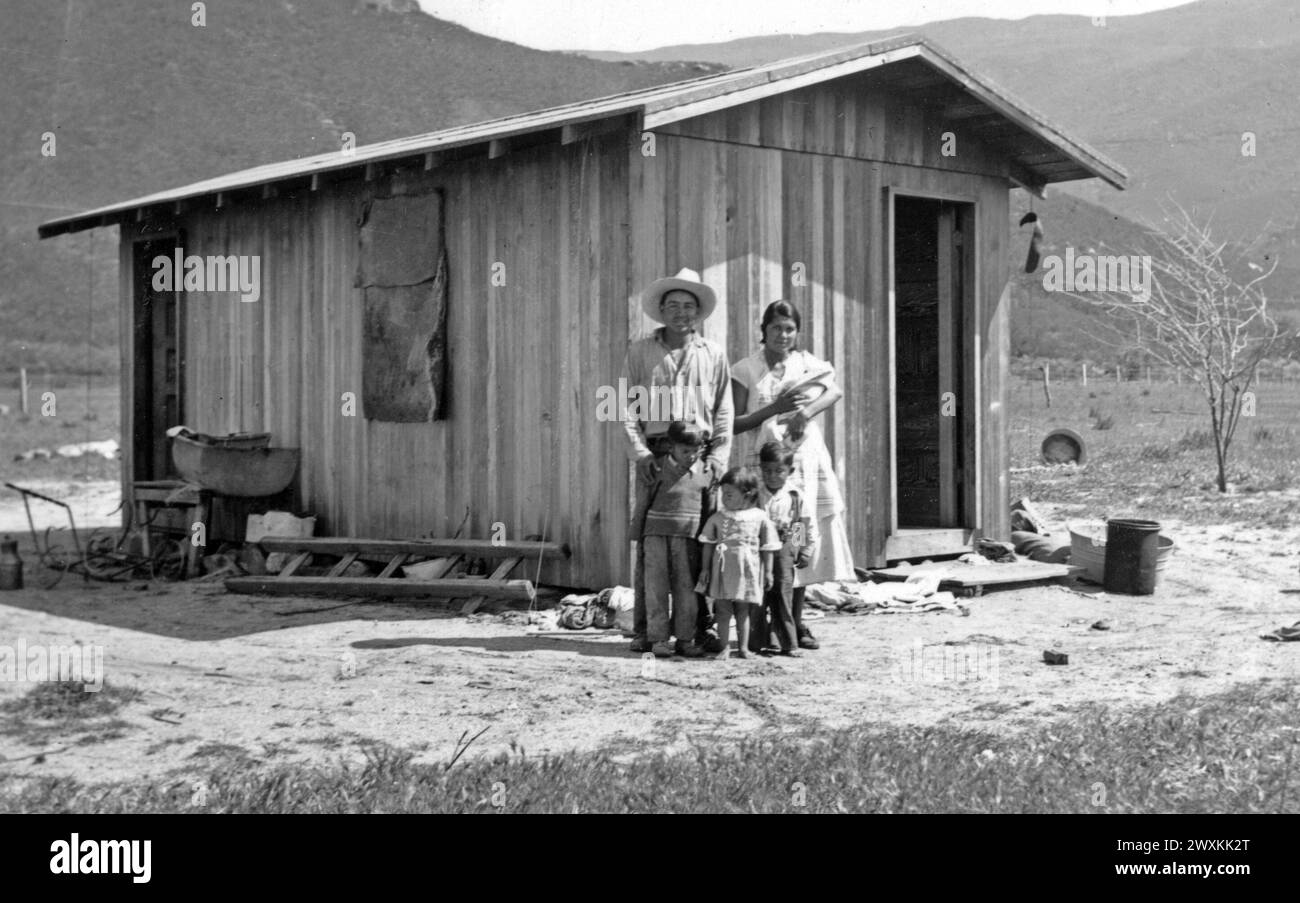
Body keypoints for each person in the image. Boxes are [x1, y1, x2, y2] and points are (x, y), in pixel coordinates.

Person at [731, 299, 856, 650]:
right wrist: (774, 409)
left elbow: (835, 390)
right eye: (775, 328)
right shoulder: (746, 369)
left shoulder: (807, 364)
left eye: (789, 328)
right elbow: (735, 422)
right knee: (763, 538)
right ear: (763, 331)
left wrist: (806, 413)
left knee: (797, 536)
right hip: (763, 463)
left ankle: (795, 623)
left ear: (797, 332)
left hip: (802, 461)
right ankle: (762, 626)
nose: (782, 335)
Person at [622, 268, 733, 654]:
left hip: (699, 458)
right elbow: (627, 409)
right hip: (656, 457)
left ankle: (697, 629)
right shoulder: (640, 352)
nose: (681, 313)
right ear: (662, 310)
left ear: (698, 312)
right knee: (651, 547)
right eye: (673, 306)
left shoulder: (713, 354)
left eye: (689, 307)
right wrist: (639, 453)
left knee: (700, 544)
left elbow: (723, 410)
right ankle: (646, 630)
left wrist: (718, 456)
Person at [633, 421, 711, 658]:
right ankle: (657, 638)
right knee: (655, 588)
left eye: (695, 451)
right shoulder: (656, 469)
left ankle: (685, 639)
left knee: (686, 590)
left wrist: (706, 539)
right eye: (684, 451)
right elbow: (643, 502)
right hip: (655, 535)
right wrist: (638, 534)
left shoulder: (704, 475)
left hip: (688, 538)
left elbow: (708, 508)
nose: (690, 456)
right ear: (671, 447)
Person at [696, 468, 781, 660]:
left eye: (729, 494)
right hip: (723, 571)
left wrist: (768, 572)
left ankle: (743, 649)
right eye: (723, 494)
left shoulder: (759, 517)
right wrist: (705, 568)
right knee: (724, 611)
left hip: (747, 572)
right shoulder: (718, 517)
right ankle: (724, 647)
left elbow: (768, 547)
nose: (724, 498)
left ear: (747, 494)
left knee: (743, 611)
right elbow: (708, 545)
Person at [752, 441, 820, 657]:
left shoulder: (794, 496)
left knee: (782, 595)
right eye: (767, 470)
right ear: (760, 468)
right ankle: (759, 642)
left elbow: (801, 524)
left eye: (778, 471)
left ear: (789, 471)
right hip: (759, 549)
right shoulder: (755, 494)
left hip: (784, 548)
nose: (772, 476)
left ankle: (788, 643)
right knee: (759, 595)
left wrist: (802, 550)